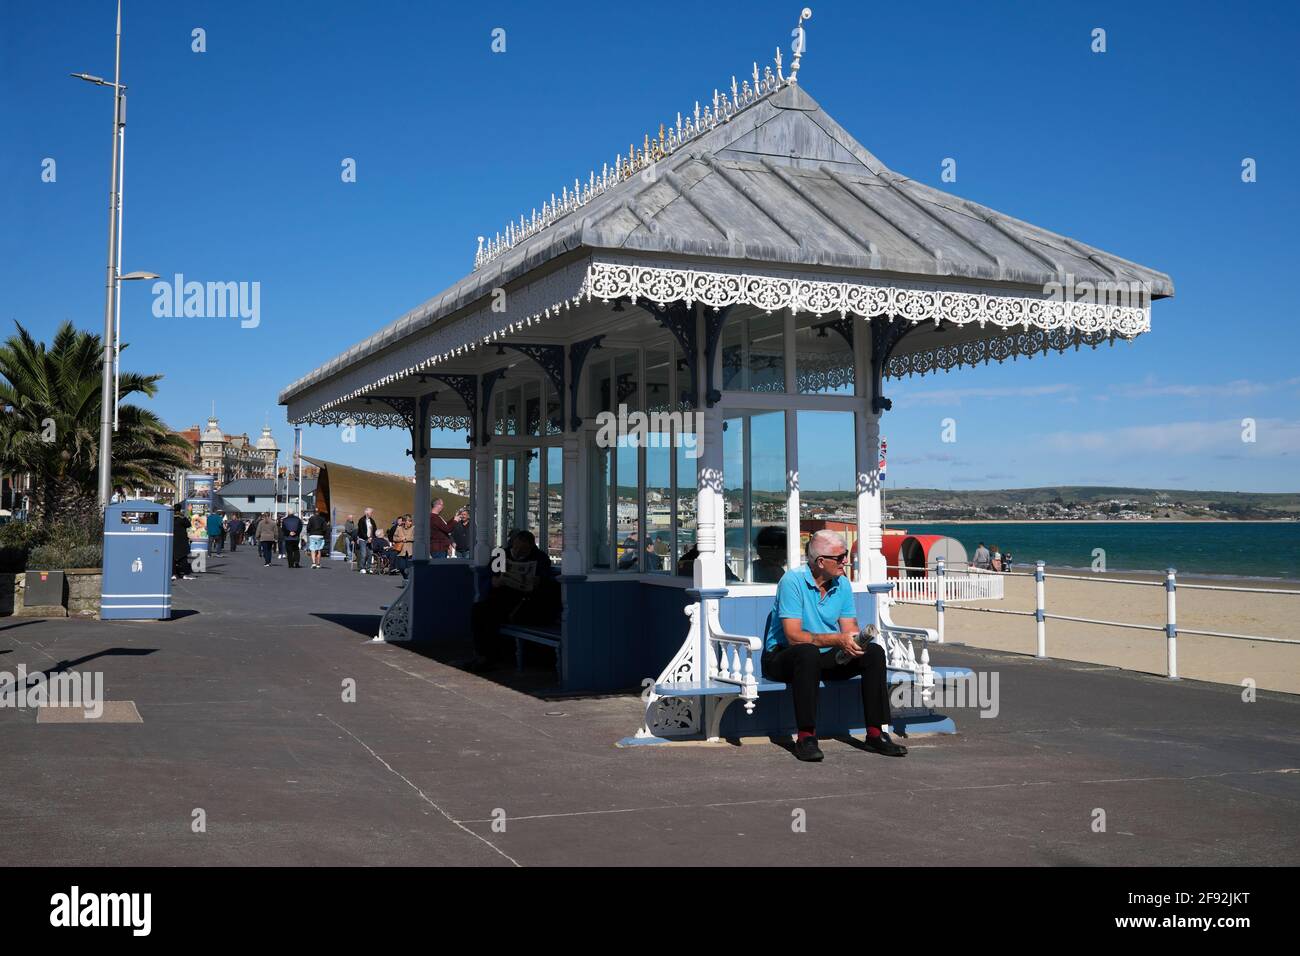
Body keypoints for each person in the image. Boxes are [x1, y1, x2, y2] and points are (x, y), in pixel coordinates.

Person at [762, 529, 907, 762]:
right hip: (782, 657)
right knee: (807, 653)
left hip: (821, 654)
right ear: (821, 561)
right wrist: (838, 640)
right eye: (840, 558)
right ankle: (806, 737)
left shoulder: (842, 584)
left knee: (874, 653)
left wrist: (856, 641)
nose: (846, 562)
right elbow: (793, 636)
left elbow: (848, 628)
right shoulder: (792, 581)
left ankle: (876, 733)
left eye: (846, 555)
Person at [467, 530, 561, 671]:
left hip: (525, 602)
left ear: (530, 547)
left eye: (523, 549)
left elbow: (545, 580)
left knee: (490, 615)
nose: (518, 552)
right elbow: (487, 577)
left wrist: (538, 581)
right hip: (501, 597)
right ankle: (482, 655)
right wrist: (494, 581)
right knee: (479, 610)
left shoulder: (540, 558)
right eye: (515, 548)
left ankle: (489, 657)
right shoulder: (501, 555)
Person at [172, 510, 195, 580]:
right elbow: (188, 524)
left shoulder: (170, 519)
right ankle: (185, 574)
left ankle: (174, 574)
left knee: (173, 559)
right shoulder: (181, 519)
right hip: (181, 542)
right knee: (183, 558)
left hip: (172, 541)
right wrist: (184, 517)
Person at [356, 508, 378, 573]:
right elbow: (361, 531)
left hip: (370, 539)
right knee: (363, 554)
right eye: (371, 512)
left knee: (370, 553)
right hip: (363, 539)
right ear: (366, 513)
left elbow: (375, 529)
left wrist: (372, 538)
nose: (371, 514)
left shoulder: (372, 521)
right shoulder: (361, 520)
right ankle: (361, 568)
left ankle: (368, 567)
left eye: (372, 513)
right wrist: (367, 538)